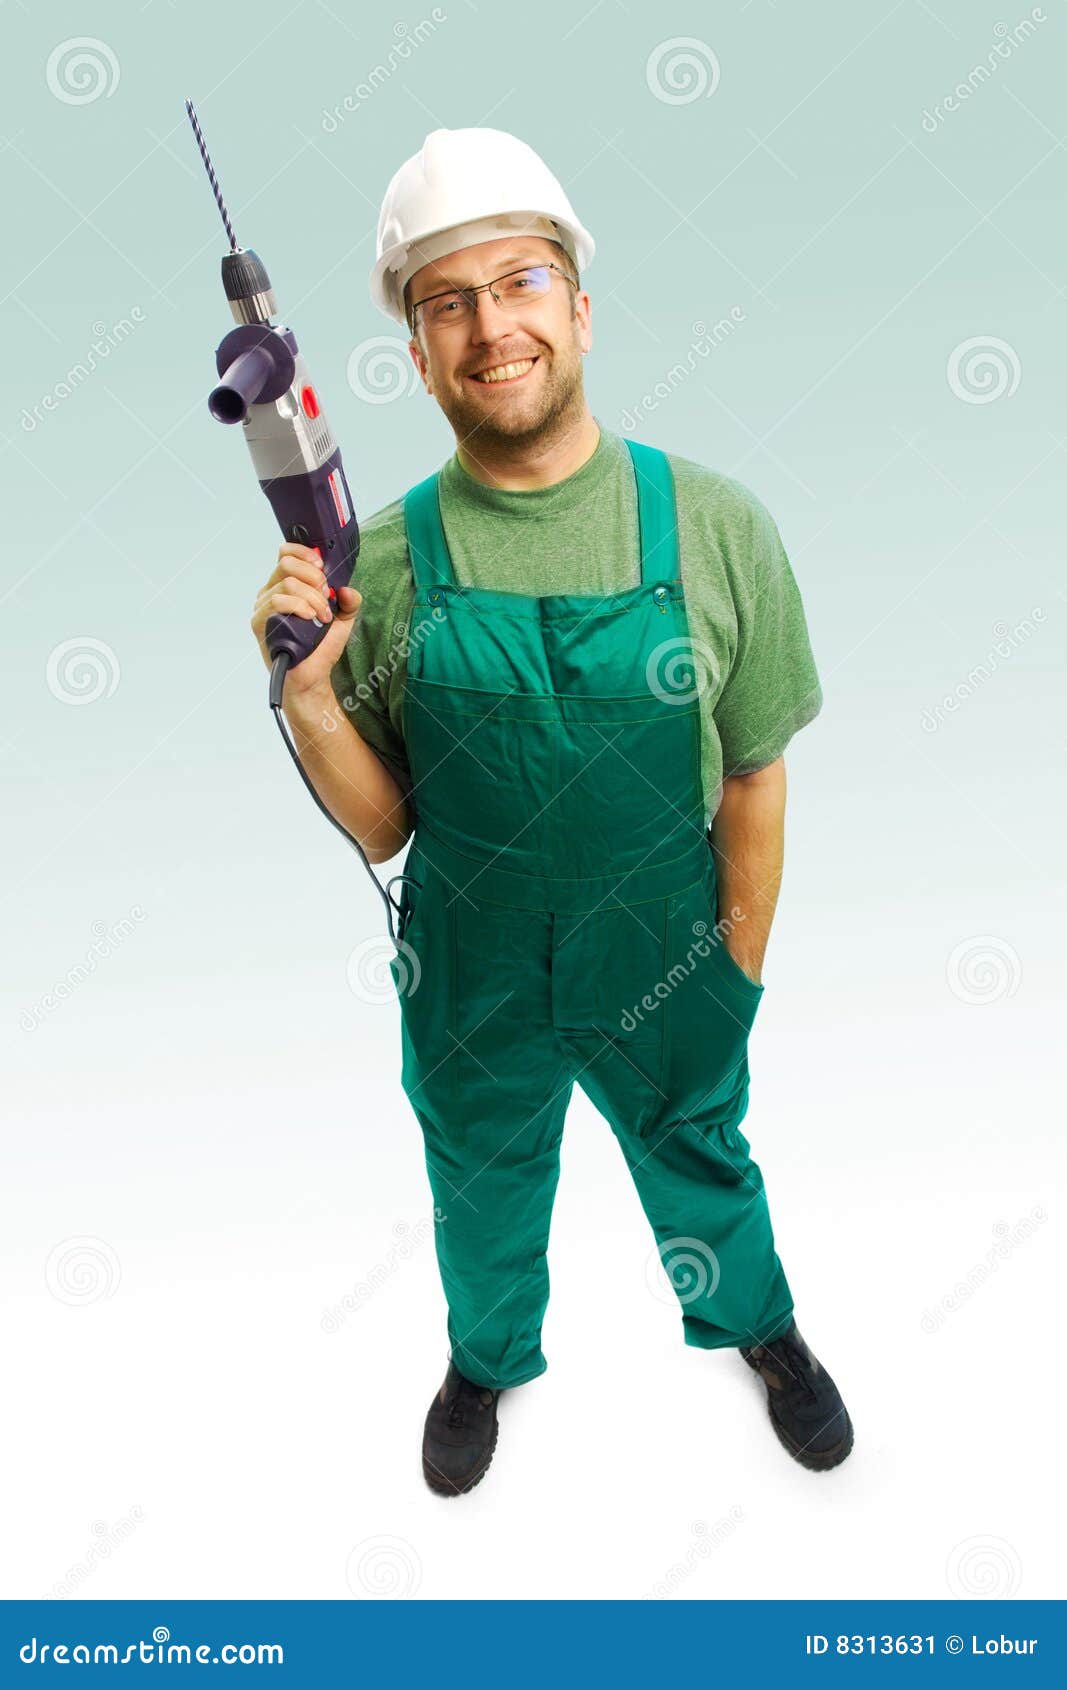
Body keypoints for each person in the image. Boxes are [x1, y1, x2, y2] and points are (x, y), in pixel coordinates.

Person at [250, 127, 853, 1497]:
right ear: (416, 352)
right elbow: (384, 827)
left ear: (579, 307)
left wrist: (735, 970)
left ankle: (760, 1326)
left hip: (663, 945)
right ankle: (486, 1357)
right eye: (446, 302)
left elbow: (754, 774)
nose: (490, 327)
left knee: (702, 1154)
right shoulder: (378, 559)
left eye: (519, 282)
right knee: (479, 1175)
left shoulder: (716, 527)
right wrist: (311, 696)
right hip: (471, 955)